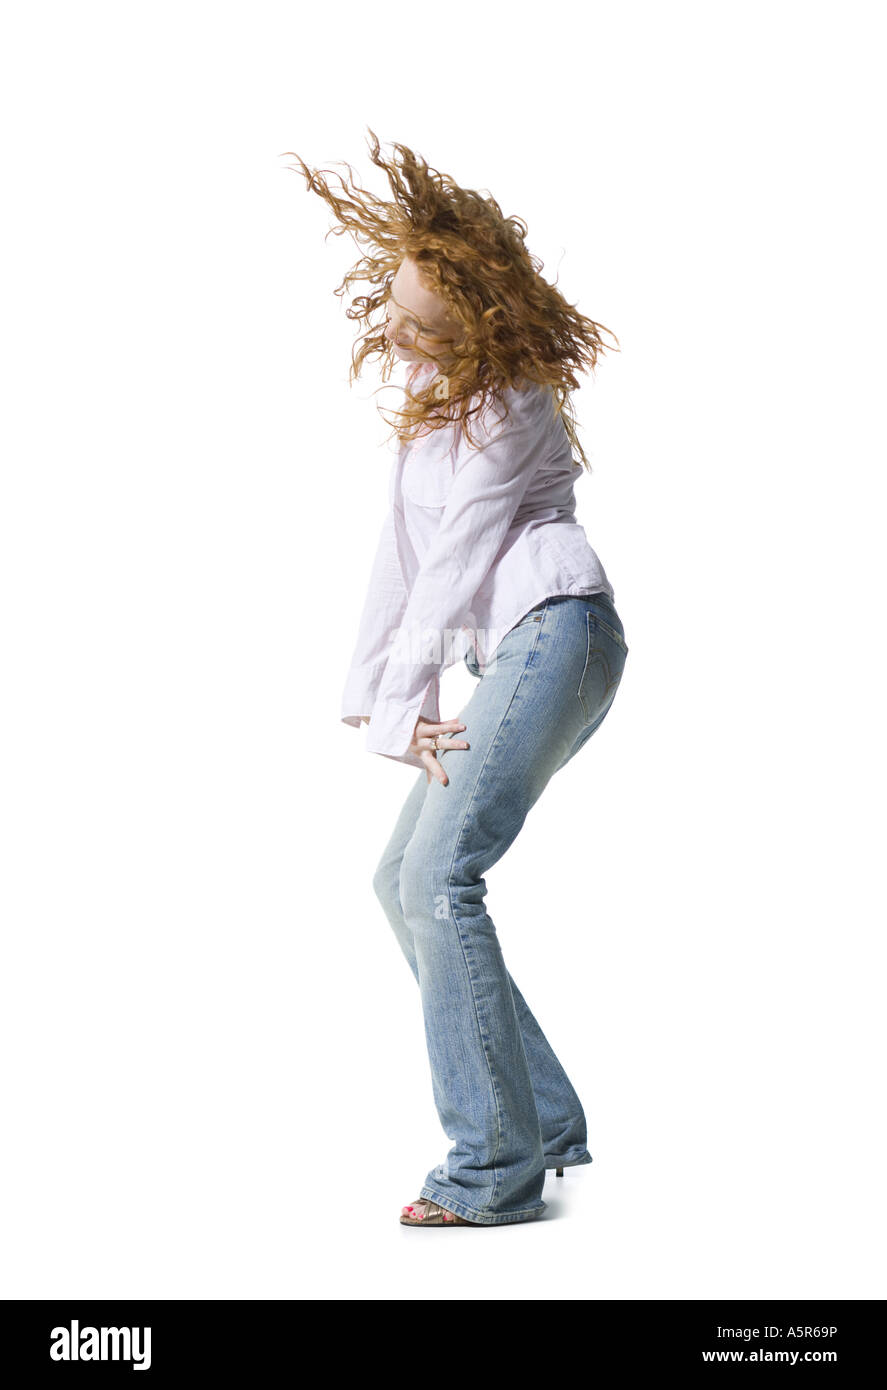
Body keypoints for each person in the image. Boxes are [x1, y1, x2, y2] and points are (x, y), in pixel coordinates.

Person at [285, 130, 630, 1227]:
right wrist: (380, 702)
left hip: (557, 632)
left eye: (416, 309)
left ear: (472, 310)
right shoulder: (432, 410)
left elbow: (457, 560)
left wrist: (407, 702)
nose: (391, 320)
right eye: (390, 298)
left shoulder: (509, 399)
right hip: (522, 646)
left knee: (440, 878)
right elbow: (398, 562)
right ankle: (543, 1117)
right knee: (402, 879)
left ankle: (492, 1168)